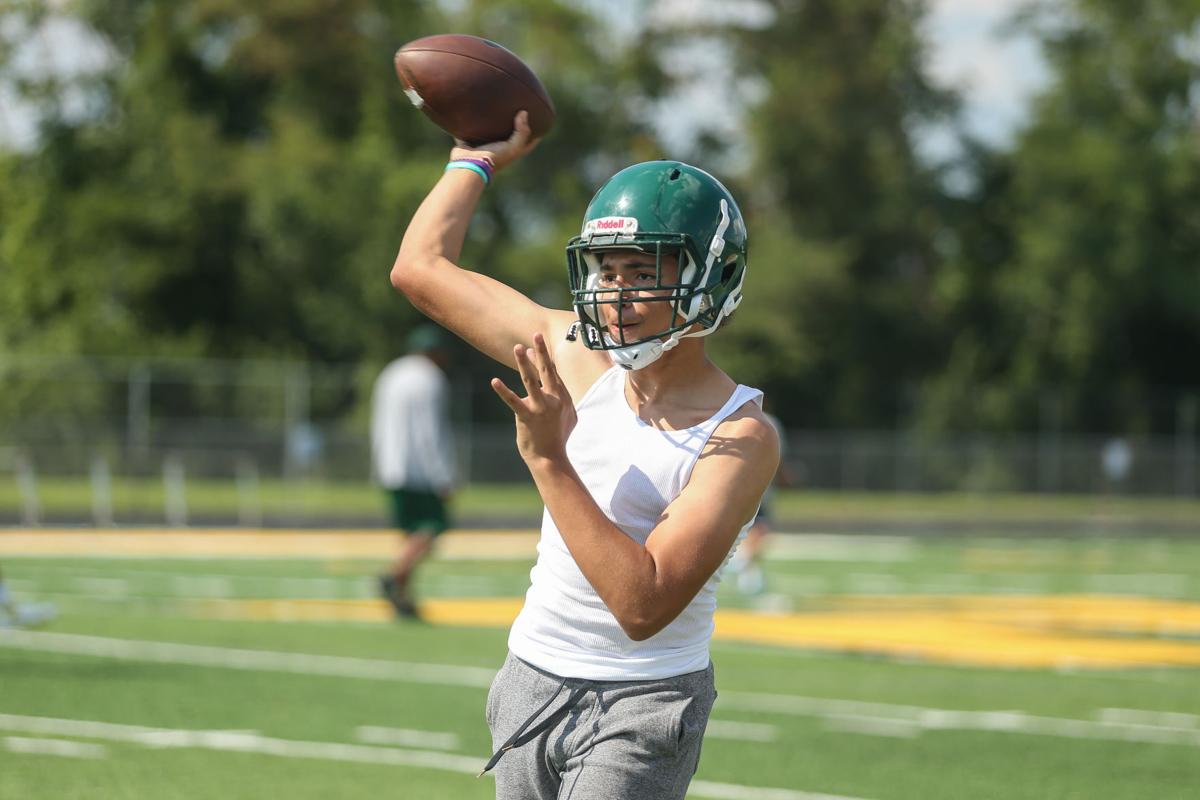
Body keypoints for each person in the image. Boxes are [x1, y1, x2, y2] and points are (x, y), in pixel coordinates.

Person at [390, 111, 779, 799]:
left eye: (643, 271)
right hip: (530, 677)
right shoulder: (576, 351)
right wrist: (472, 159)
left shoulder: (740, 436)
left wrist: (549, 462)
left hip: (643, 699)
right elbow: (420, 270)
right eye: (606, 270)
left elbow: (642, 603)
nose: (616, 294)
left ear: (709, 280)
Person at [371, 324, 457, 620]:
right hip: (420, 470)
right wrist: (443, 475)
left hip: (391, 465)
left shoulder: (392, 373)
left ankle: (403, 597)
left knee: (409, 535)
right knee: (430, 529)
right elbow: (429, 433)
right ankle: (393, 576)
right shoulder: (430, 379)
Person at [728, 410, 788, 595]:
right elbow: (777, 457)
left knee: (752, 530)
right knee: (760, 529)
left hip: (737, 485)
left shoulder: (731, 417)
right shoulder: (768, 423)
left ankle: (746, 568)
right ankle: (741, 563)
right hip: (757, 486)